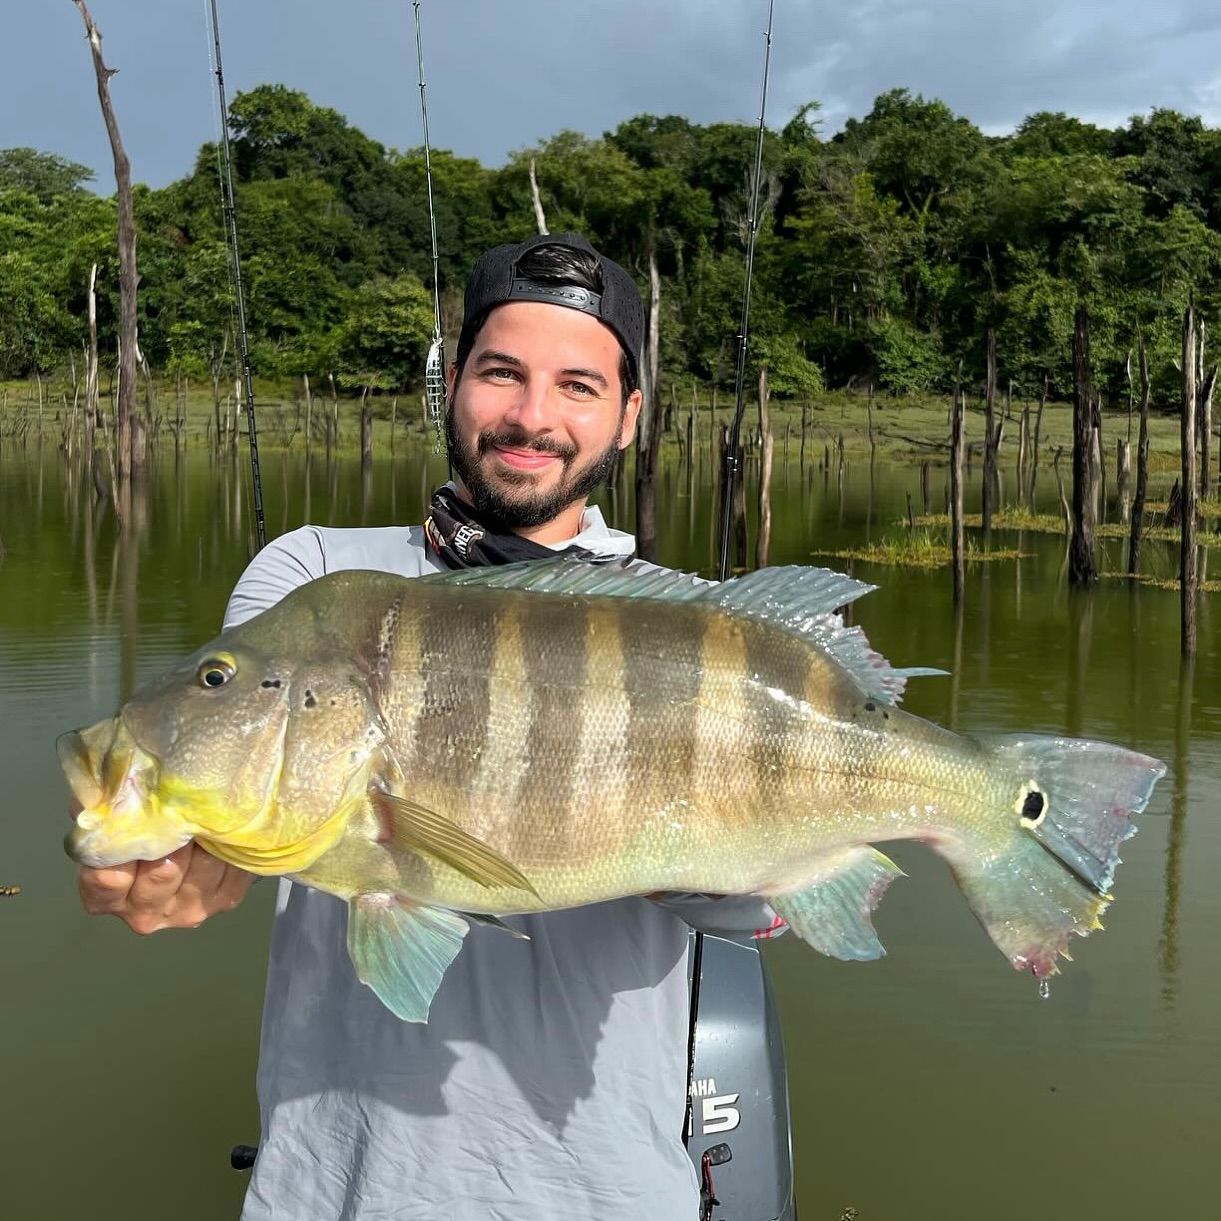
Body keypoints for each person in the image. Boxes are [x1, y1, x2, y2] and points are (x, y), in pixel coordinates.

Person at [78, 233, 778, 1220]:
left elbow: (751, 912)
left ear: (628, 420)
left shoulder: (700, 627)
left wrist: (699, 832)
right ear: (452, 384)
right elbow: (251, 809)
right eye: (502, 373)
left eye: (579, 386)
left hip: (608, 1192)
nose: (533, 417)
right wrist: (174, 867)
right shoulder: (314, 580)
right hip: (337, 1190)